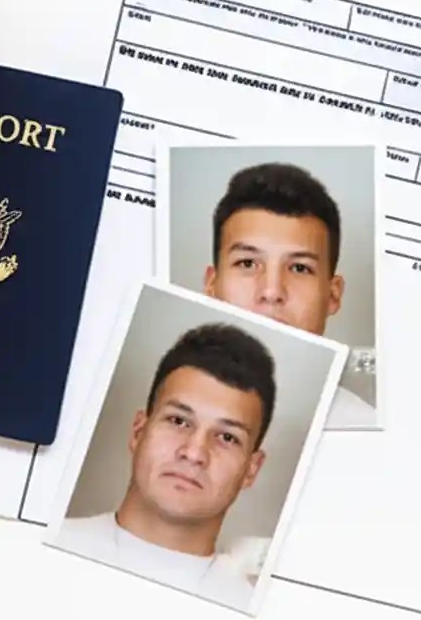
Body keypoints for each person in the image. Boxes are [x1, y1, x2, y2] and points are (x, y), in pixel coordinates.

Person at [55, 323, 275, 610]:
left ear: (251, 469)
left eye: (227, 437)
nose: (194, 453)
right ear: (138, 431)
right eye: (178, 421)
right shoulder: (47, 542)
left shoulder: (252, 605)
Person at [202, 161, 375, 427]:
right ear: (212, 285)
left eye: (299, 267)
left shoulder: (364, 427)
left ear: (333, 295)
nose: (271, 292)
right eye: (247, 263)